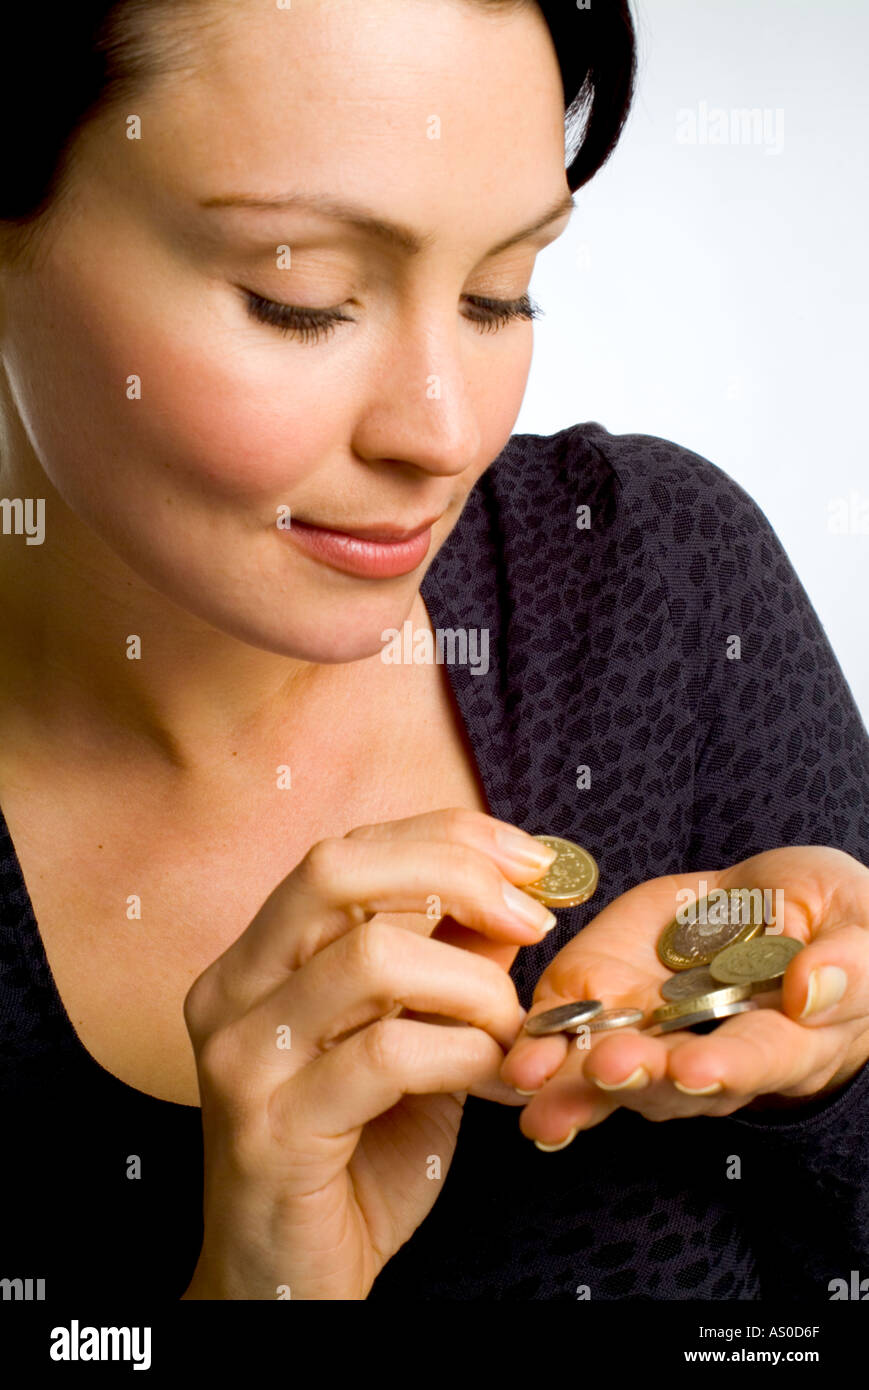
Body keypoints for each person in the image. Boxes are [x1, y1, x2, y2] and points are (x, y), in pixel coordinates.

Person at [0, 0, 866, 1304]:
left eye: (497, 292)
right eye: (300, 297)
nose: (443, 432)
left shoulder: (657, 580)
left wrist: (835, 1076)